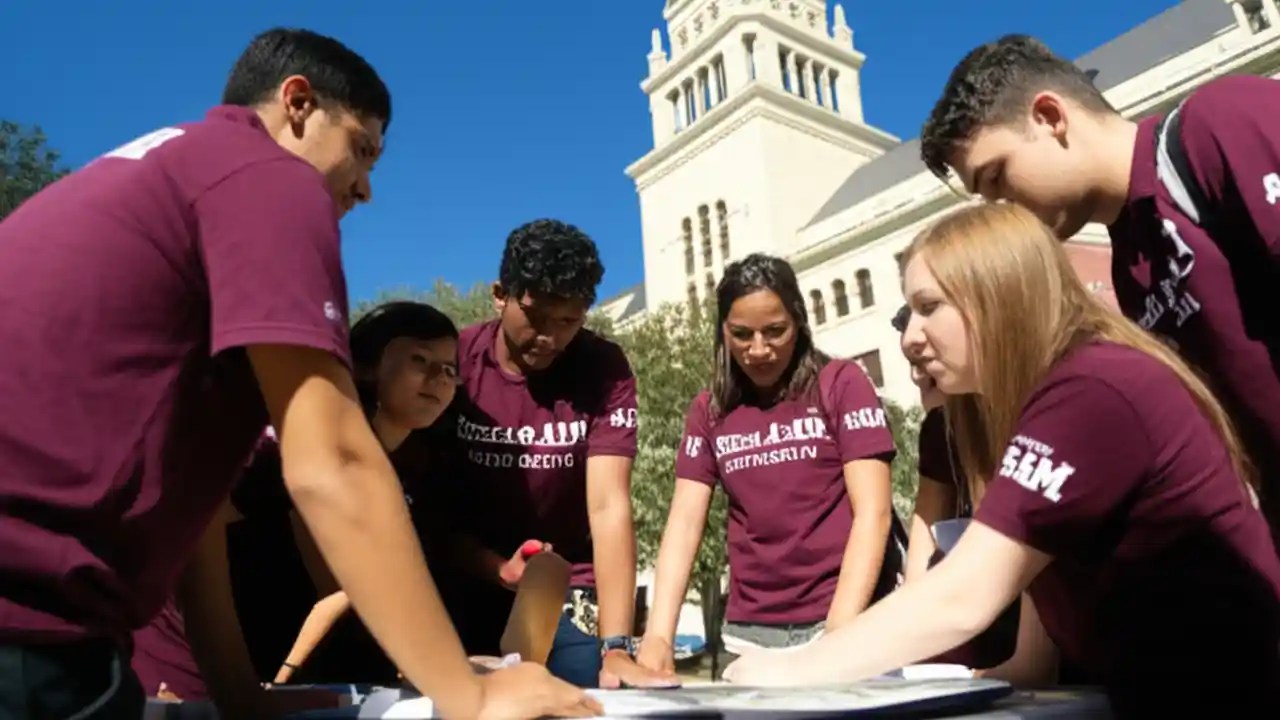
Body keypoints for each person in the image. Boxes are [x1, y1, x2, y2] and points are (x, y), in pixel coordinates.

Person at [0, 28, 598, 720]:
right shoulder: (268, 175)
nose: (368, 186)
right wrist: (469, 695)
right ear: (298, 104)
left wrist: (237, 696)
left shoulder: (159, 169)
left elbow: (194, 520)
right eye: (363, 148)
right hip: (31, 631)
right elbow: (333, 463)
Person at [723, 203, 1280, 716]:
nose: (910, 338)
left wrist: (792, 671)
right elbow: (1034, 598)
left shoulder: (1091, 389)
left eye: (928, 307)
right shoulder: (1051, 397)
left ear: (996, 295)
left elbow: (965, 596)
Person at [918, 34, 1280, 549]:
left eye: (998, 177)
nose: (1004, 211)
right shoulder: (1132, 265)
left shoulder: (1220, 126)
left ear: (1049, 117)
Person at [634, 254, 902, 678]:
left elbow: (874, 513)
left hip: (847, 623)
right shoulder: (709, 411)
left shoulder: (842, 384)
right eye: (741, 334)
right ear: (723, 331)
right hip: (752, 637)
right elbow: (684, 522)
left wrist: (840, 635)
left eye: (775, 331)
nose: (758, 349)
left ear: (798, 321)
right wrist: (659, 637)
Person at [439, 219, 671, 690]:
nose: (548, 337)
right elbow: (427, 508)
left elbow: (609, 507)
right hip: (463, 575)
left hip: (563, 588)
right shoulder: (456, 361)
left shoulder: (605, 368)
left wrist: (617, 647)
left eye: (568, 321)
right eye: (536, 317)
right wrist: (495, 567)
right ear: (501, 294)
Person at [894, 305, 1051, 685]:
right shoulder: (941, 430)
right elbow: (921, 553)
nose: (920, 376)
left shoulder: (1043, 418)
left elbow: (1033, 664)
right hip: (970, 641)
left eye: (929, 308)